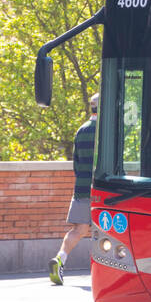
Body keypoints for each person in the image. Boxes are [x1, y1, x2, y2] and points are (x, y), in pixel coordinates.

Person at [50, 92, 99, 286]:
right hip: (102, 189)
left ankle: (60, 258)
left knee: (78, 229)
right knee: (106, 231)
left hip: (81, 188)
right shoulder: (106, 132)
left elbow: (76, 164)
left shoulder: (81, 130)